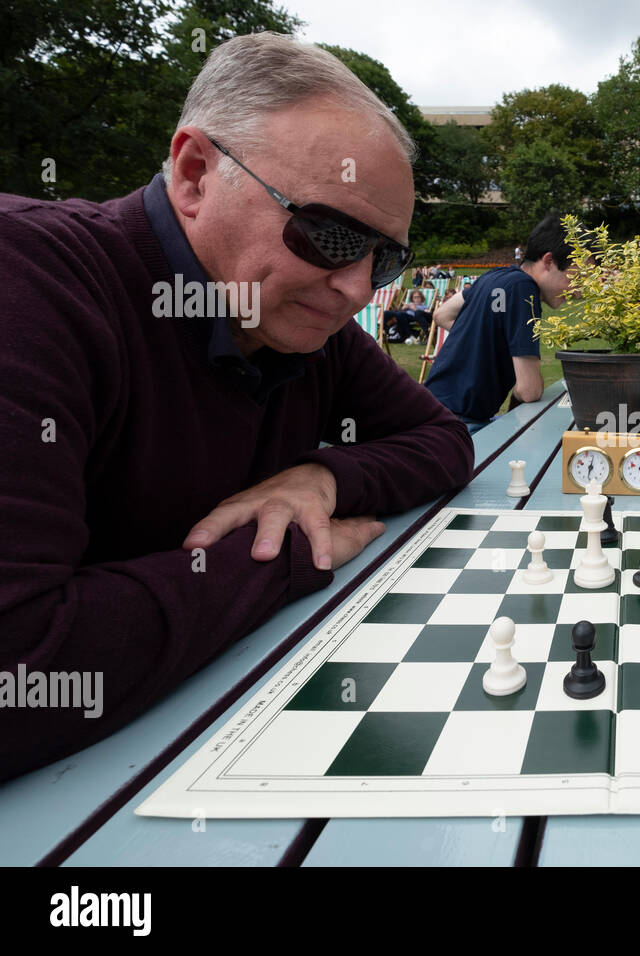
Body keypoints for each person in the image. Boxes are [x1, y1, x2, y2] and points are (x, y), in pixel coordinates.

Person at [0, 33, 475, 783]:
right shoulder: (29, 282)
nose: (357, 289)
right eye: (328, 234)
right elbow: (19, 677)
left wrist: (320, 481)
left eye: (384, 258)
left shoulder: (296, 322)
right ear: (194, 175)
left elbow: (443, 439)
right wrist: (286, 555)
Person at [424, 215, 574, 432]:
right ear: (549, 261)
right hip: (455, 426)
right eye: (575, 277)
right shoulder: (524, 290)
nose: (578, 291)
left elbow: (442, 314)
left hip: (433, 411)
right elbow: (528, 390)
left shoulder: (496, 276)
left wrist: (488, 340)